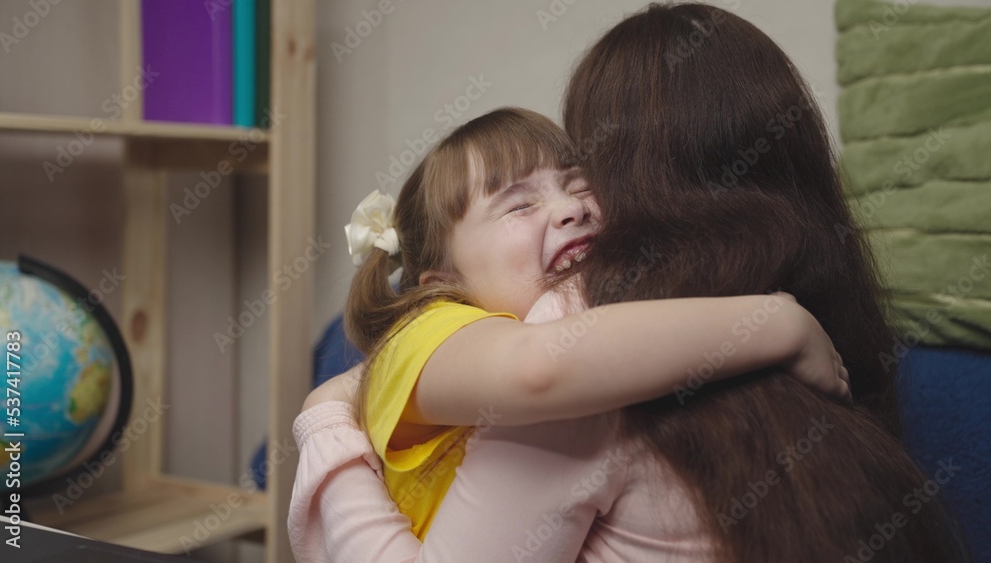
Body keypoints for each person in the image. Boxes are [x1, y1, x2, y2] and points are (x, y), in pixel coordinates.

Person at [290, 5, 967, 562]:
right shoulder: (447, 333)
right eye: (519, 205)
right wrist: (327, 412)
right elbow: (537, 368)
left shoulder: (622, 327)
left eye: (579, 177)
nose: (570, 207)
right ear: (444, 281)